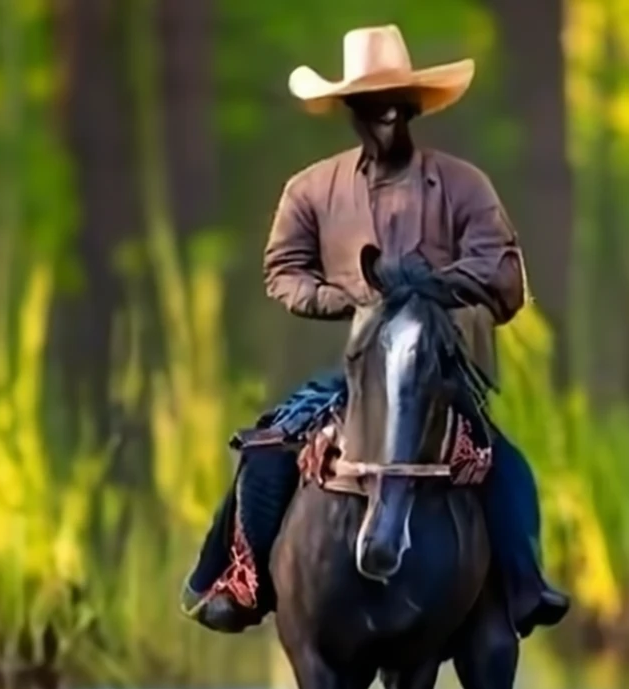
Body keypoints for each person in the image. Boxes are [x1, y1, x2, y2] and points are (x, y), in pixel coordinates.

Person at [180, 24, 570, 637]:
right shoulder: (311, 190)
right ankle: (241, 581)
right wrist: (353, 295)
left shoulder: (464, 184)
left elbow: (502, 267)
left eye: (396, 98)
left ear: (414, 105)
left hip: (435, 371)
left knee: (505, 463)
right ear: (350, 111)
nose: (387, 111)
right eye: (371, 100)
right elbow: (283, 271)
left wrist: (435, 287)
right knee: (265, 452)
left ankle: (524, 584)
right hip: (360, 369)